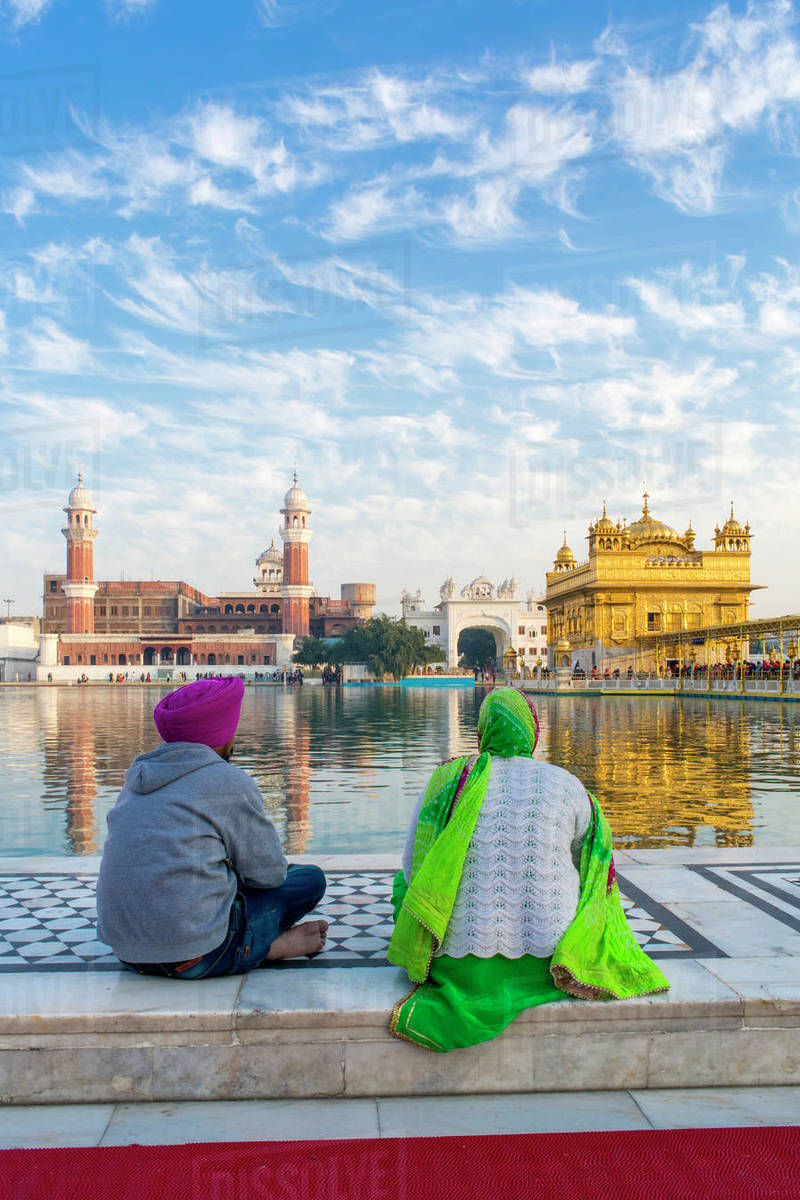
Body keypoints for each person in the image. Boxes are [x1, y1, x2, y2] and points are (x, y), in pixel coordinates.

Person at [388, 687, 668, 1052]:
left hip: (457, 962)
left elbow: (413, 870)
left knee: (402, 884)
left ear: (482, 732)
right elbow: (592, 870)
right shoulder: (566, 784)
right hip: (553, 962)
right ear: (533, 733)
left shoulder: (448, 780)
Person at [96, 677, 328, 978]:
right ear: (223, 733)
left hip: (127, 953)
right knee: (308, 879)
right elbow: (270, 875)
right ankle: (261, 947)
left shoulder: (136, 779)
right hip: (198, 956)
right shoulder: (227, 782)